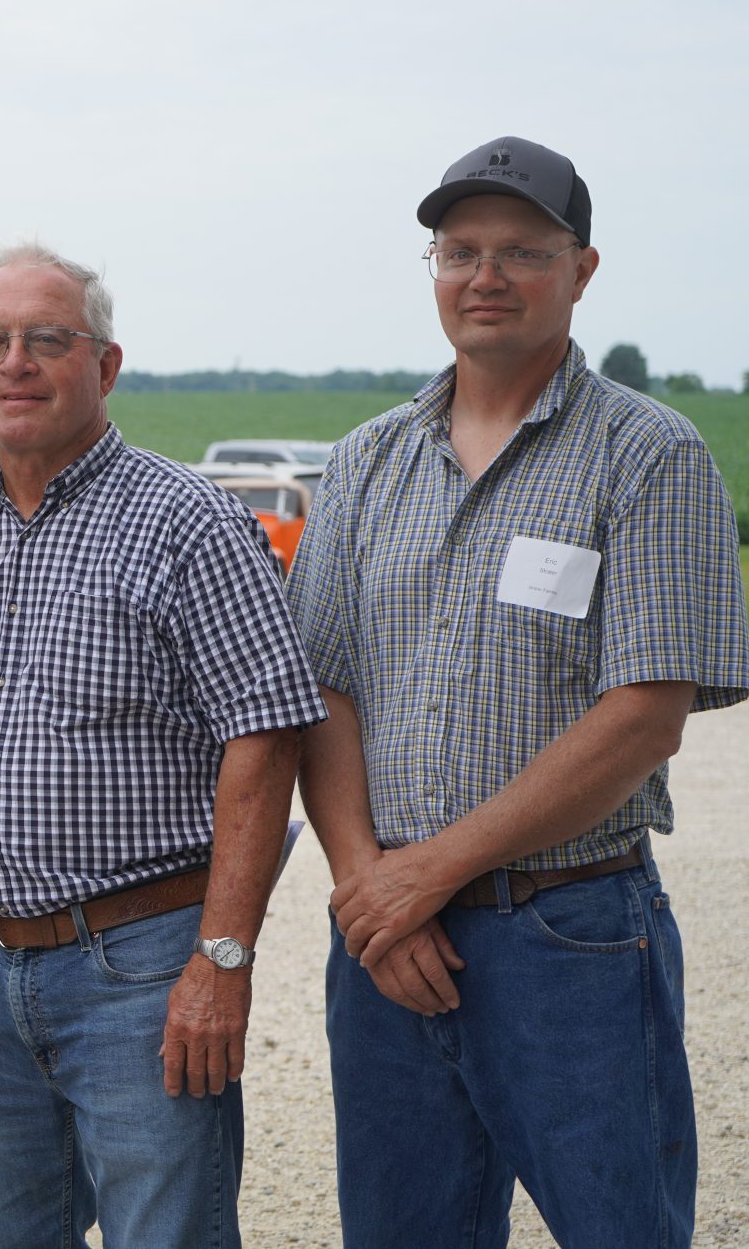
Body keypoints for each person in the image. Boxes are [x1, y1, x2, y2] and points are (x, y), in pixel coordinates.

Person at [288, 136, 748, 1248]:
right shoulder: (361, 462)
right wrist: (368, 889)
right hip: (387, 944)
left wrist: (424, 877)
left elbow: (641, 715)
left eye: (519, 252)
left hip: (569, 938)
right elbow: (324, 692)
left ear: (580, 270)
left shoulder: (648, 455)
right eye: (457, 251)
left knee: (617, 1229)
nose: (482, 275)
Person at [0, 243, 327, 1248]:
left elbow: (265, 739)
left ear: (104, 364)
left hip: (140, 971)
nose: (14, 362)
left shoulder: (185, 521)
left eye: (46, 339)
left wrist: (220, 958)